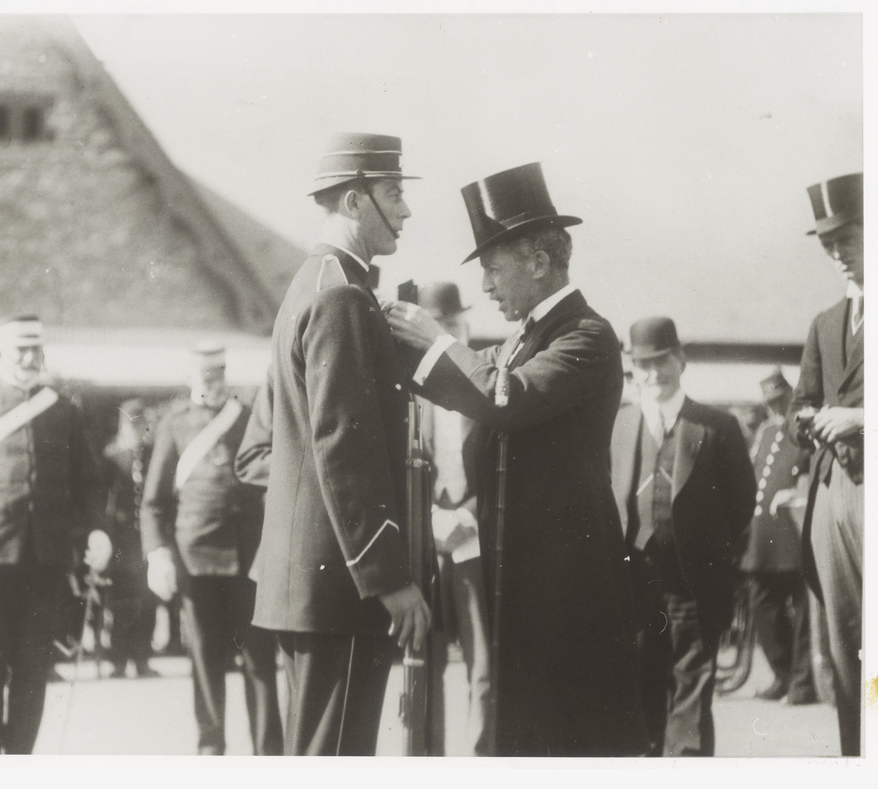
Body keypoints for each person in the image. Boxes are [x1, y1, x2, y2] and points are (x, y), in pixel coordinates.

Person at [385, 162, 646, 757]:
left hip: (570, 588)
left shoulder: (586, 335)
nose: (485, 288)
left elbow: (507, 398)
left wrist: (435, 340)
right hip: (522, 585)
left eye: (494, 269)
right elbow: (481, 400)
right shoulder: (520, 341)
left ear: (538, 262)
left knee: (574, 741)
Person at [251, 132, 430, 756]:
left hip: (314, 583)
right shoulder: (342, 295)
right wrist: (387, 577)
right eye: (393, 194)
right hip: (343, 586)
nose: (405, 211)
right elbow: (342, 448)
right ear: (355, 203)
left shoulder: (314, 282)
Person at [0, 315, 110, 754]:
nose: (30, 359)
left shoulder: (63, 411)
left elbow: (89, 482)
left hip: (45, 561)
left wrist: (96, 531)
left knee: (33, 673)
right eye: (20, 351)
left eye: (37, 350)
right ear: (1, 355)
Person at [609, 316, 757, 756]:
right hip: (635, 579)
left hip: (694, 583)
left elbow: (742, 502)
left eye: (663, 362)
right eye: (644, 365)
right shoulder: (618, 426)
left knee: (693, 682)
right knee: (643, 680)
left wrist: (710, 552)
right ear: (633, 369)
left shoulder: (717, 426)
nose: (654, 374)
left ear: (682, 360)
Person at [140, 343, 282, 756]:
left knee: (259, 660)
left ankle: (269, 755)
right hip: (196, 560)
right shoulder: (173, 424)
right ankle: (210, 752)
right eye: (204, 376)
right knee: (205, 662)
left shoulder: (247, 417)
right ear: (190, 380)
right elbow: (153, 503)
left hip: (249, 560)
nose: (212, 383)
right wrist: (158, 554)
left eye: (218, 374)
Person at [788, 172, 864, 756]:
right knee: (847, 646)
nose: (839, 254)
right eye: (829, 245)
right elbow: (800, 406)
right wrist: (812, 417)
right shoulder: (824, 322)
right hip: (832, 492)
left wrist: (862, 420)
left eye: (849, 238)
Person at [413, 282, 491, 756]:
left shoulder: (483, 383)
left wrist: (469, 515)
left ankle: (483, 762)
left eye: (454, 325)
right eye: (437, 327)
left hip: (474, 539)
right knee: (425, 665)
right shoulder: (405, 391)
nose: (446, 334)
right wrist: (428, 519)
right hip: (425, 545)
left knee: (484, 665)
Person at [739, 368, 816, 705]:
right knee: (763, 606)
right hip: (762, 537)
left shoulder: (806, 429)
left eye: (781, 400)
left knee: (802, 612)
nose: (776, 408)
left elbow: (812, 474)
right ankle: (783, 675)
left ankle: (801, 683)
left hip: (793, 531)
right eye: (770, 402)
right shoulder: (767, 432)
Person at [101, 398, 159, 679]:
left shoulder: (153, 455)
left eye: (140, 424)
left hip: (146, 541)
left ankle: (143, 659)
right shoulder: (112, 457)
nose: (136, 429)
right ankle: (118, 660)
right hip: (122, 543)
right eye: (130, 424)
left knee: (147, 602)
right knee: (121, 603)